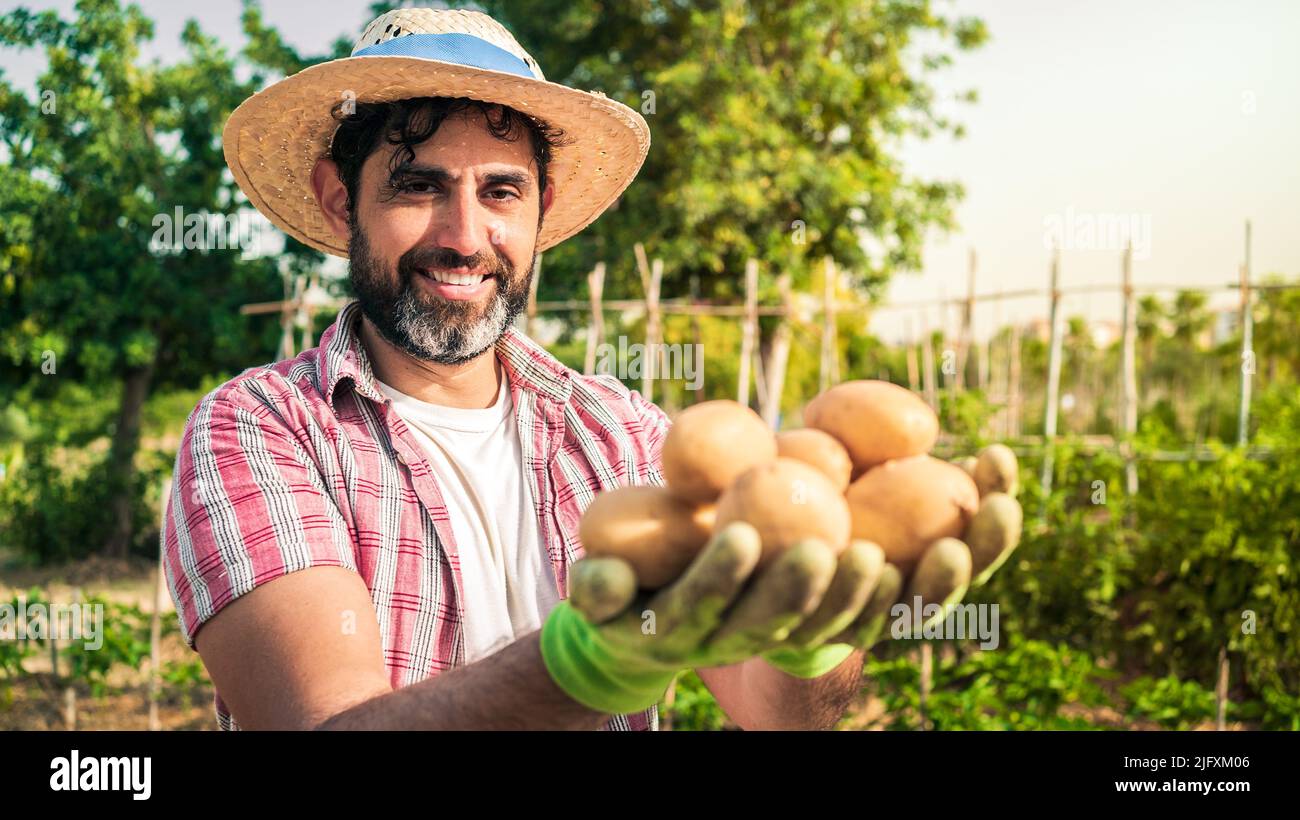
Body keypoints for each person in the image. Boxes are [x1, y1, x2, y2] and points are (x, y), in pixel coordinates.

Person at [163, 7, 1005, 731]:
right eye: (419, 186)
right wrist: (590, 663)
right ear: (342, 200)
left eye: (501, 192)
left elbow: (772, 711)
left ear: (542, 212)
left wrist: (813, 630)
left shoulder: (626, 436)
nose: (463, 235)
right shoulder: (262, 430)